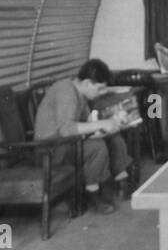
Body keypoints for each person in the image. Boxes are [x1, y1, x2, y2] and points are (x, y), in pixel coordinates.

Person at [33, 58, 133, 213]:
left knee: (113, 138)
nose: (101, 93)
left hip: (66, 142)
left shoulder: (79, 93)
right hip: (50, 149)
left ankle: (122, 182)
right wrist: (101, 124)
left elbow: (85, 121)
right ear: (87, 83)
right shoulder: (66, 92)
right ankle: (92, 195)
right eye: (99, 89)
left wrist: (110, 123)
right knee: (97, 147)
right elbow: (66, 129)